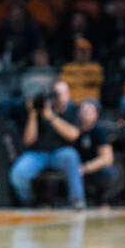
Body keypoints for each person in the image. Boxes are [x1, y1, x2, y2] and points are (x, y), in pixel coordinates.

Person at [9, 79, 84, 208]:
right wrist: (33, 114)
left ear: (68, 94)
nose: (59, 97)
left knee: (71, 156)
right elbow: (28, 140)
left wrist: (51, 117)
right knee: (18, 173)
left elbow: (73, 135)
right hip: (37, 154)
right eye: (56, 94)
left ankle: (77, 200)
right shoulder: (39, 110)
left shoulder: (72, 110)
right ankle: (28, 203)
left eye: (62, 93)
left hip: (60, 154)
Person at [75, 99, 119, 206]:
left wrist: (85, 168)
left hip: (90, 169)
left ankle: (101, 198)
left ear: (96, 115)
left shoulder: (98, 132)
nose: (85, 113)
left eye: (89, 111)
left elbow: (108, 158)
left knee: (109, 171)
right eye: (83, 110)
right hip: (73, 168)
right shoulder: (72, 129)